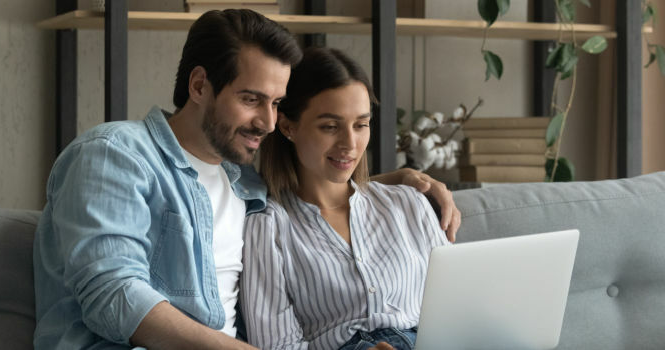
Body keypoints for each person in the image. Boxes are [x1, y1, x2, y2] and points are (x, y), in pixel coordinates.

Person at [33, 9, 460, 350]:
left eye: (276, 103)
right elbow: (113, 295)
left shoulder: (244, 185)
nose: (269, 122)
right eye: (251, 99)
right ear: (200, 84)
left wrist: (398, 184)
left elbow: (322, 194)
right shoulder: (114, 154)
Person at [240, 47, 452, 350]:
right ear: (288, 126)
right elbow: (278, 346)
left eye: (361, 124)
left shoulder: (409, 203)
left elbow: (458, 310)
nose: (350, 144)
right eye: (330, 127)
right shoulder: (267, 227)